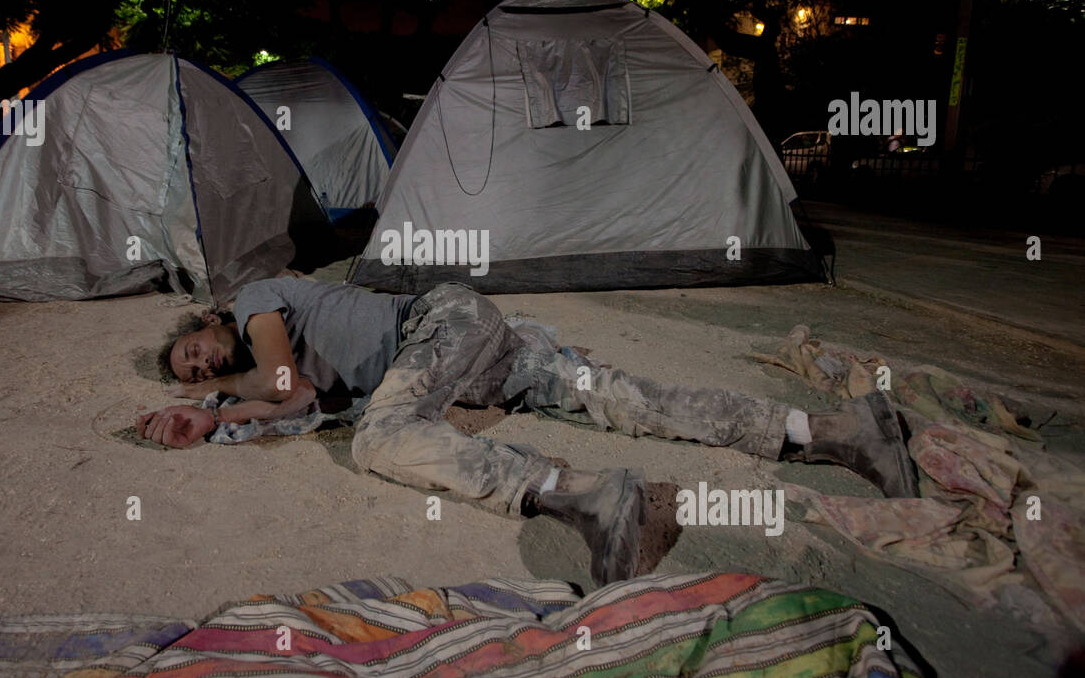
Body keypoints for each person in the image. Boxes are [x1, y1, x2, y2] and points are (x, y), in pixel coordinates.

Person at [138, 277, 918, 585]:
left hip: (444, 320)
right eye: (194, 373)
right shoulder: (248, 373)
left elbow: (278, 384)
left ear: (208, 320)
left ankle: (587, 497)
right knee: (619, 397)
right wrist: (206, 416)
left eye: (193, 352)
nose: (201, 366)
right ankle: (834, 429)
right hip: (475, 362)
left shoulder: (255, 302)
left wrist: (229, 399)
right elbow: (299, 400)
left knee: (379, 439)